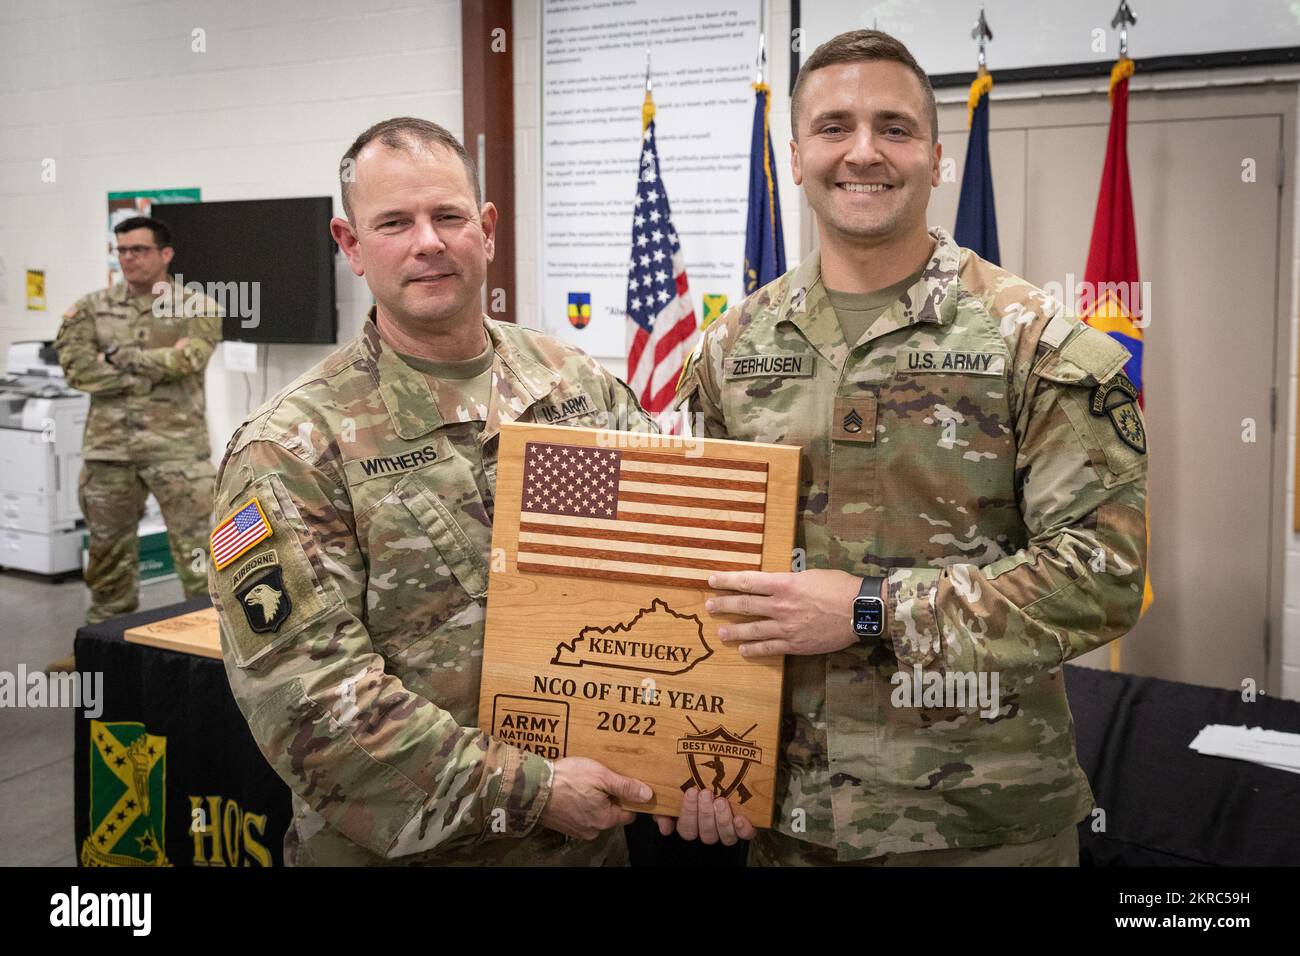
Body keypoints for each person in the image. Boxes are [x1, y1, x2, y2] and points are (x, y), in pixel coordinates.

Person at [664, 30, 1148, 866]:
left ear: (933, 153)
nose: (863, 152)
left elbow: (1104, 579)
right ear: (797, 152)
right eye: (834, 127)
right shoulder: (728, 350)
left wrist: (867, 608)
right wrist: (692, 753)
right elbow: (699, 572)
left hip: (981, 823)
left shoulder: (1031, 339)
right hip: (791, 820)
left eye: (892, 127)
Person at [207, 117, 656, 866]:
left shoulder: (577, 389)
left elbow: (661, 573)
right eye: (394, 223)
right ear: (350, 246)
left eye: (447, 215)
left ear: (485, 229)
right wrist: (533, 791)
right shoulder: (290, 447)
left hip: (587, 844)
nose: (428, 242)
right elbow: (314, 708)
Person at [54, 216, 222, 633]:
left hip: (177, 450)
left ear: (165, 254)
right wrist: (158, 364)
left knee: (201, 559)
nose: (128, 258)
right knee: (108, 561)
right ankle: (105, 653)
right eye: (122, 250)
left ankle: (207, 656)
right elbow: (76, 370)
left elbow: (191, 359)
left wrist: (117, 357)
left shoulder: (198, 306)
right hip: (109, 451)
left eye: (139, 250)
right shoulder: (90, 309)